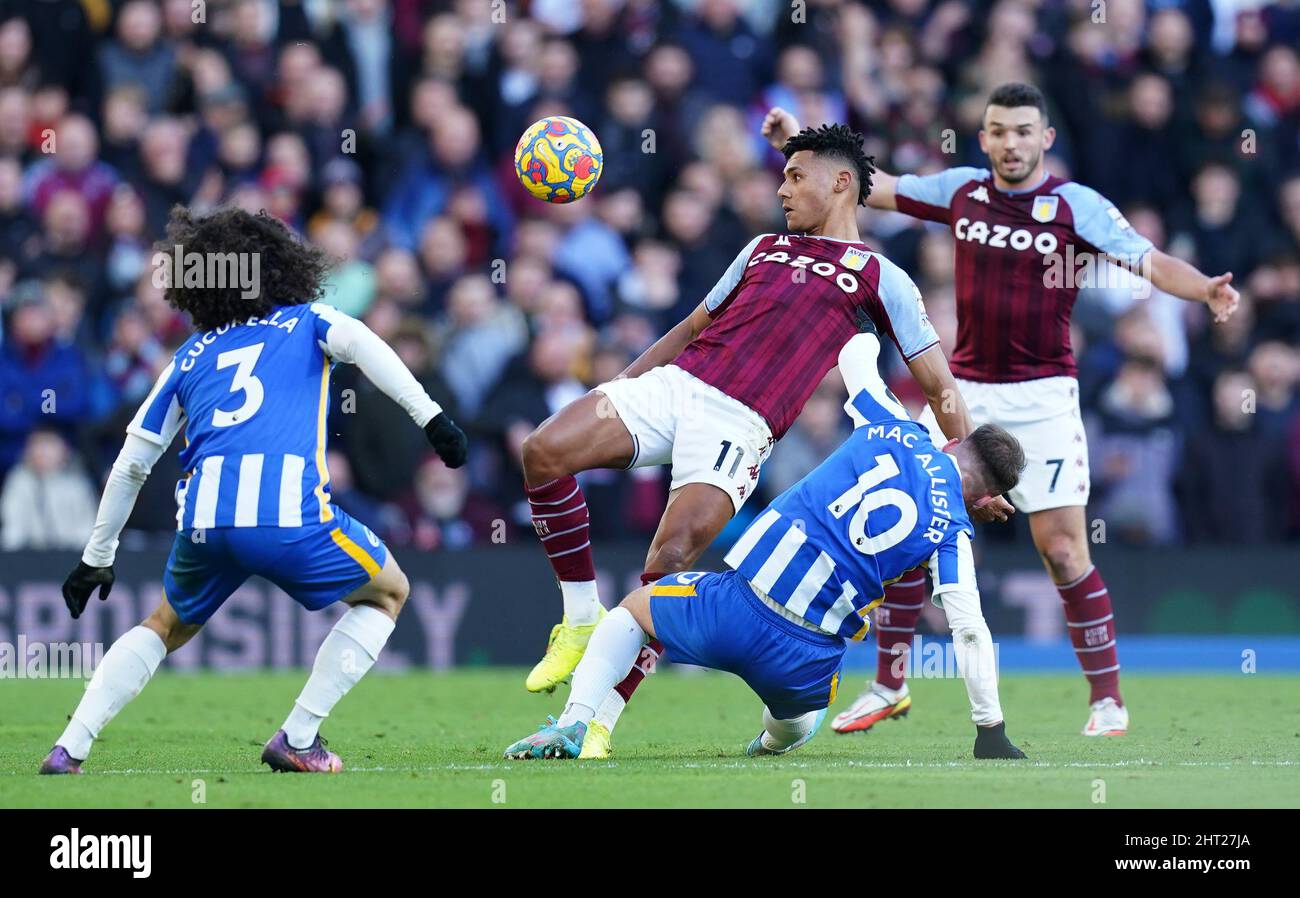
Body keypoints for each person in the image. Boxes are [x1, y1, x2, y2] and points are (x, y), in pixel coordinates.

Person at [764, 82, 1240, 737]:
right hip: (965, 393)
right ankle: (888, 686)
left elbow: (1150, 263)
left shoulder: (1076, 206)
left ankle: (1107, 700)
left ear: (1045, 138)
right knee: (907, 532)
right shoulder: (962, 191)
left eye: (1022, 131)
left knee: (1065, 551)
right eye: (997, 131)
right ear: (982, 137)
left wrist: (1205, 289)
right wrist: (798, 145)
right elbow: (870, 186)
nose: (1009, 143)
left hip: (1045, 399)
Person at [519, 122, 1014, 722]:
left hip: (740, 423)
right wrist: (622, 384)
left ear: (839, 182)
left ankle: (599, 721)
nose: (781, 189)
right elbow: (693, 328)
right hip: (675, 386)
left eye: (794, 175)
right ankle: (577, 619)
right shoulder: (761, 248)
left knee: (669, 558)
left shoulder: (882, 277)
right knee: (543, 450)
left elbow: (941, 388)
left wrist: (967, 473)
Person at [38, 207, 468, 775]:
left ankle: (69, 748)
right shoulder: (308, 319)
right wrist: (432, 418)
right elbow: (364, 344)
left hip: (203, 520)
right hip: (286, 517)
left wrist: (97, 557)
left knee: (163, 625)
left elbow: (131, 464)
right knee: (388, 593)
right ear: (281, 266)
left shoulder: (189, 356)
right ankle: (298, 737)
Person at [504, 328, 1026, 761]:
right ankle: (768, 744)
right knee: (799, 726)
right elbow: (971, 631)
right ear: (987, 498)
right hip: (810, 658)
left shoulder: (892, 426)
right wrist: (990, 729)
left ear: (957, 442)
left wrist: (886, 321)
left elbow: (855, 354)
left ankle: (576, 723)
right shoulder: (954, 531)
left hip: (739, 607)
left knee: (628, 614)